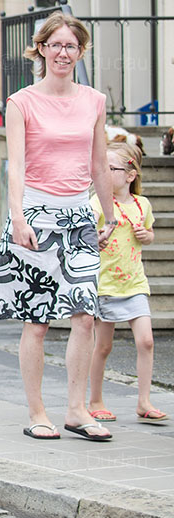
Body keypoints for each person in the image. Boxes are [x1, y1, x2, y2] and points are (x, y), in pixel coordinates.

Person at [0, 12, 114, 442]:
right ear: (41, 48)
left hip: (79, 217)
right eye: (56, 45)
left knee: (85, 317)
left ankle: (77, 410)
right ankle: (37, 412)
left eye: (72, 46)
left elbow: (99, 164)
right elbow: (16, 166)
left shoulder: (94, 101)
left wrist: (110, 214)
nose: (64, 53)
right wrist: (18, 217)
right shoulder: (21, 102)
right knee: (37, 321)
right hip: (36, 217)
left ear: (81, 52)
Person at [88, 140, 167, 425]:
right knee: (103, 346)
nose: (103, 172)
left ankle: (144, 401)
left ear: (130, 175)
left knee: (146, 341)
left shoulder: (142, 204)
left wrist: (147, 236)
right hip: (106, 285)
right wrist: (95, 240)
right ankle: (95, 400)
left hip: (134, 284)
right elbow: (85, 236)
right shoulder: (97, 203)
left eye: (110, 168)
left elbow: (149, 233)